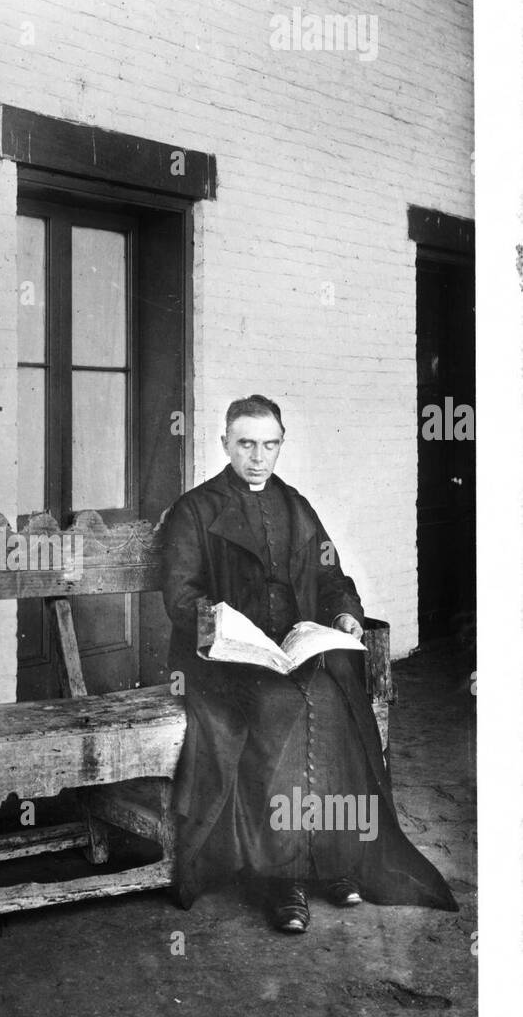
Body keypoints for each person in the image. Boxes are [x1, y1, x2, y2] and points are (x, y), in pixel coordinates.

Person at [161, 394, 457, 931]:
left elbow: (330, 577)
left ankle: (331, 860)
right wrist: (228, 630)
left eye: (269, 445)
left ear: (281, 446)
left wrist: (345, 616)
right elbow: (181, 598)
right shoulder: (195, 510)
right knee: (281, 710)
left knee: (334, 698)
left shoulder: (296, 506)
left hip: (291, 653)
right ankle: (280, 879)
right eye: (246, 444)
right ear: (224, 442)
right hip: (224, 662)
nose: (257, 457)